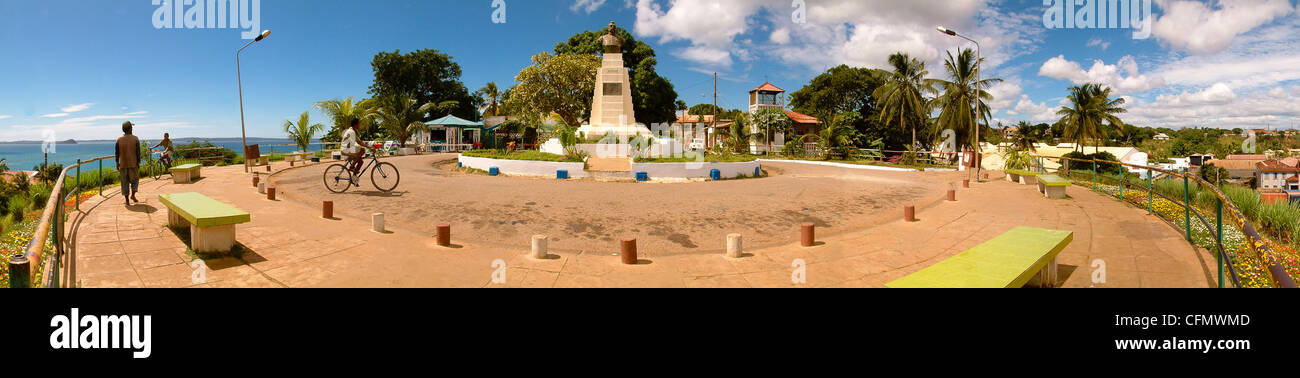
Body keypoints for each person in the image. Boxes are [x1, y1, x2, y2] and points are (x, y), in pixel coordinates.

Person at [115, 121, 142, 206]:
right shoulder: (135, 139)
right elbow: (138, 152)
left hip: (123, 165)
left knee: (124, 183)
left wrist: (117, 163)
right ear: (130, 128)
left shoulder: (119, 139)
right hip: (133, 164)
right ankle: (133, 195)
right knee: (135, 181)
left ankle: (127, 200)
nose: (132, 128)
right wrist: (138, 162)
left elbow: (117, 152)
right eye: (131, 127)